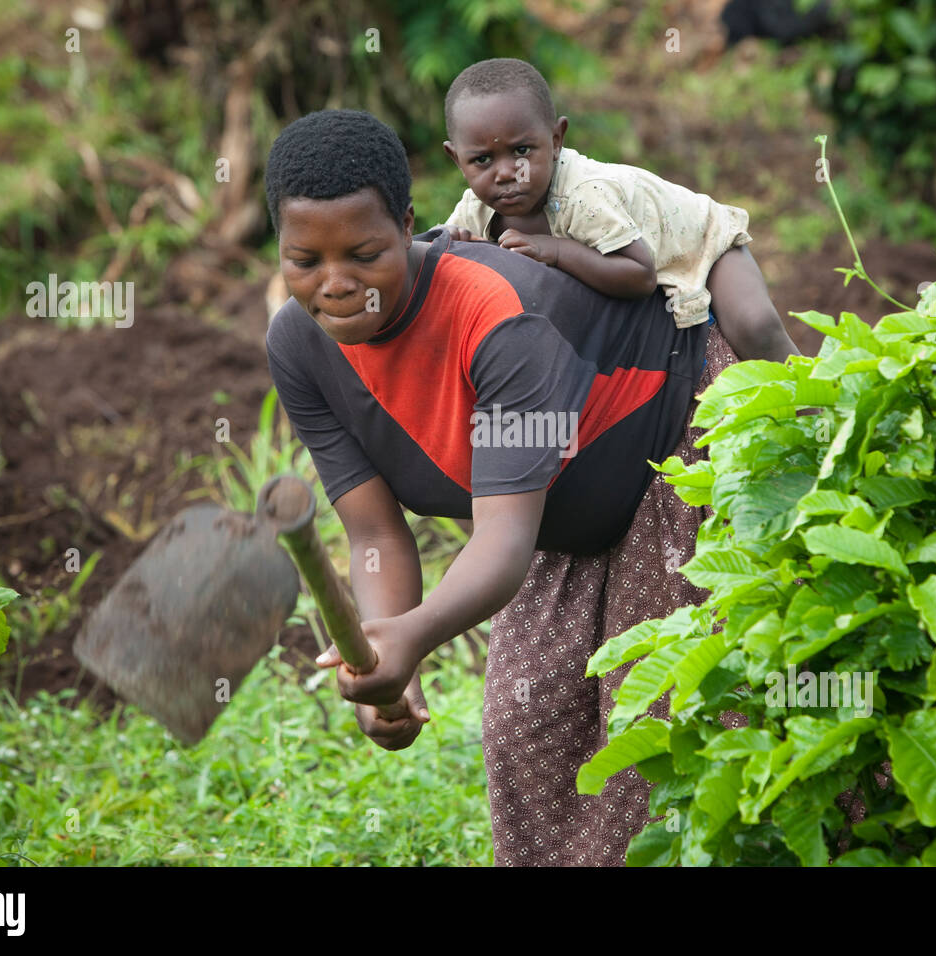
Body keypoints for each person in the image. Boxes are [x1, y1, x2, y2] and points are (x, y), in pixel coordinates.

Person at [263, 108, 765, 865]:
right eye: (305, 260)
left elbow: (501, 541)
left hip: (680, 452)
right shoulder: (298, 346)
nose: (337, 286)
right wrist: (385, 652)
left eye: (364, 254)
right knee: (526, 738)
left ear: (406, 225)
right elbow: (373, 533)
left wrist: (416, 634)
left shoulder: (495, 316)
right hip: (563, 510)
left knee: (658, 743)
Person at [439, 58, 800, 366]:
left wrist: (555, 249)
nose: (505, 172)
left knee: (755, 327)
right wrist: (454, 241)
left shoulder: (583, 196)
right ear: (457, 159)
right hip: (650, 263)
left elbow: (639, 275)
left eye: (521, 151)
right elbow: (448, 251)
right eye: (482, 160)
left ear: (556, 140)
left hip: (701, 243)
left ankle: (823, 420)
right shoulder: (476, 208)